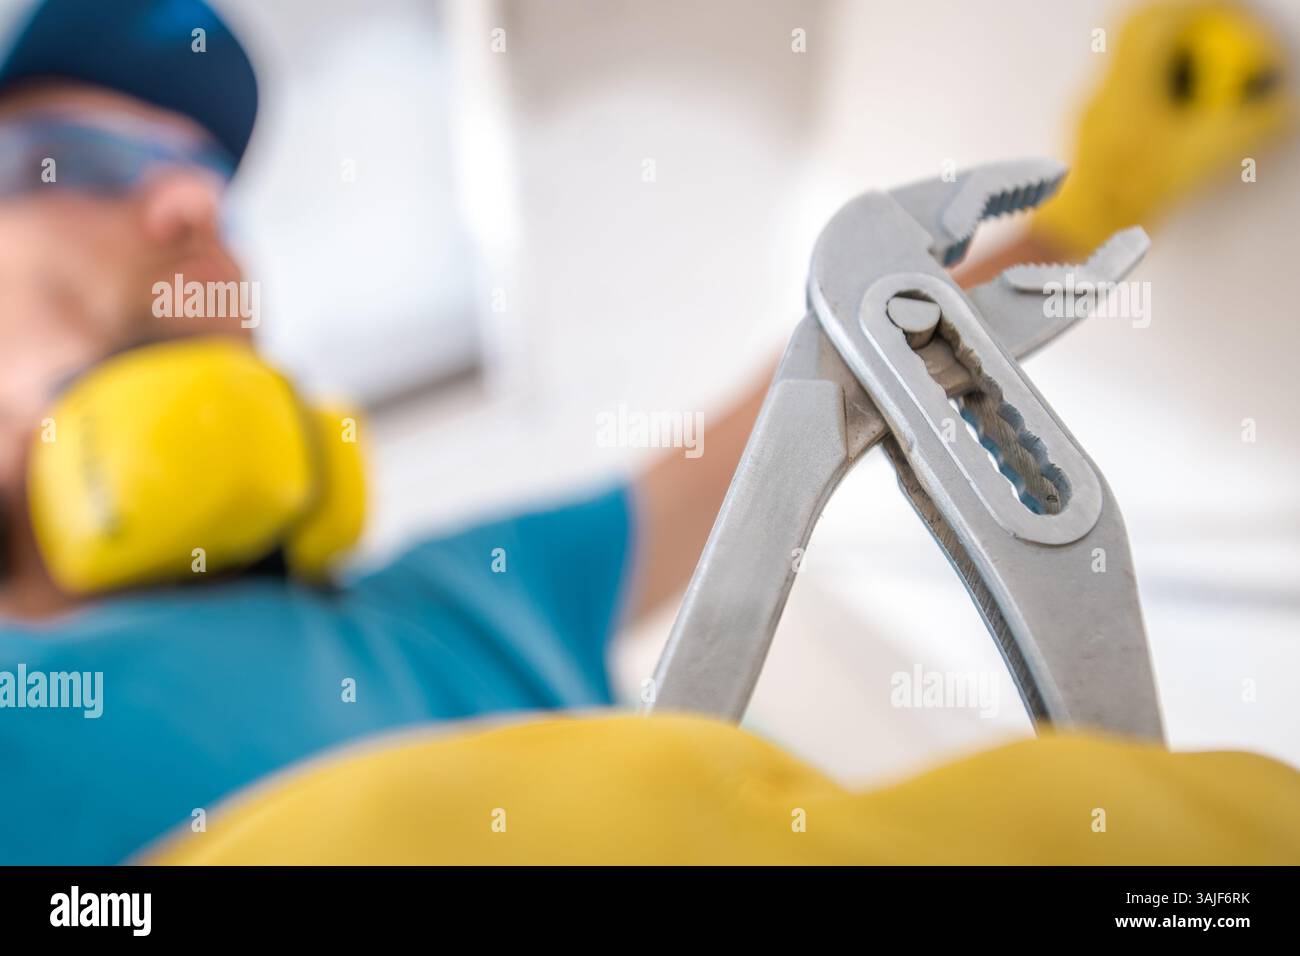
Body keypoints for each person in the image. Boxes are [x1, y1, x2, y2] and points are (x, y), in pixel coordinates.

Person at [0, 0, 764, 864]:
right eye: (79, 161)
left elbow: (795, 424)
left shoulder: (464, 598)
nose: (192, 201)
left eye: (211, 181)